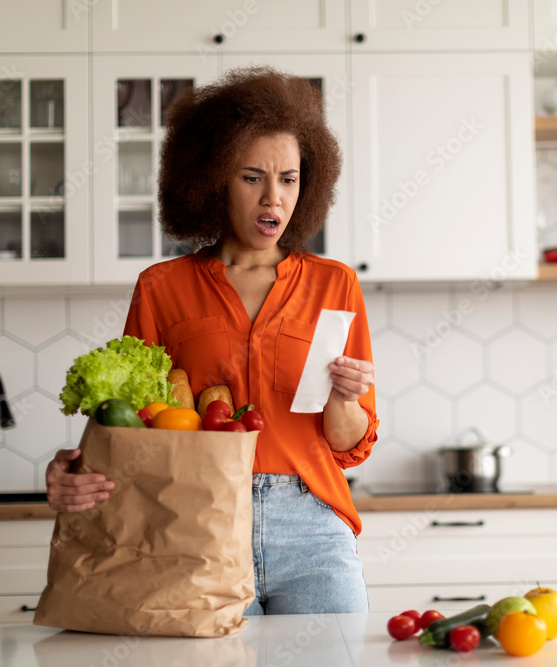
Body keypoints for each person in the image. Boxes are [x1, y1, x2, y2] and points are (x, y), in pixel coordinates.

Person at [44, 67, 379, 615]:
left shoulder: (334, 283)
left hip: (314, 530)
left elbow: (349, 445)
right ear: (213, 179)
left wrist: (344, 396)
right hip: (200, 525)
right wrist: (75, 472)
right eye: (252, 177)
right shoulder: (162, 288)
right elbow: (133, 427)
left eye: (289, 179)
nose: (273, 199)